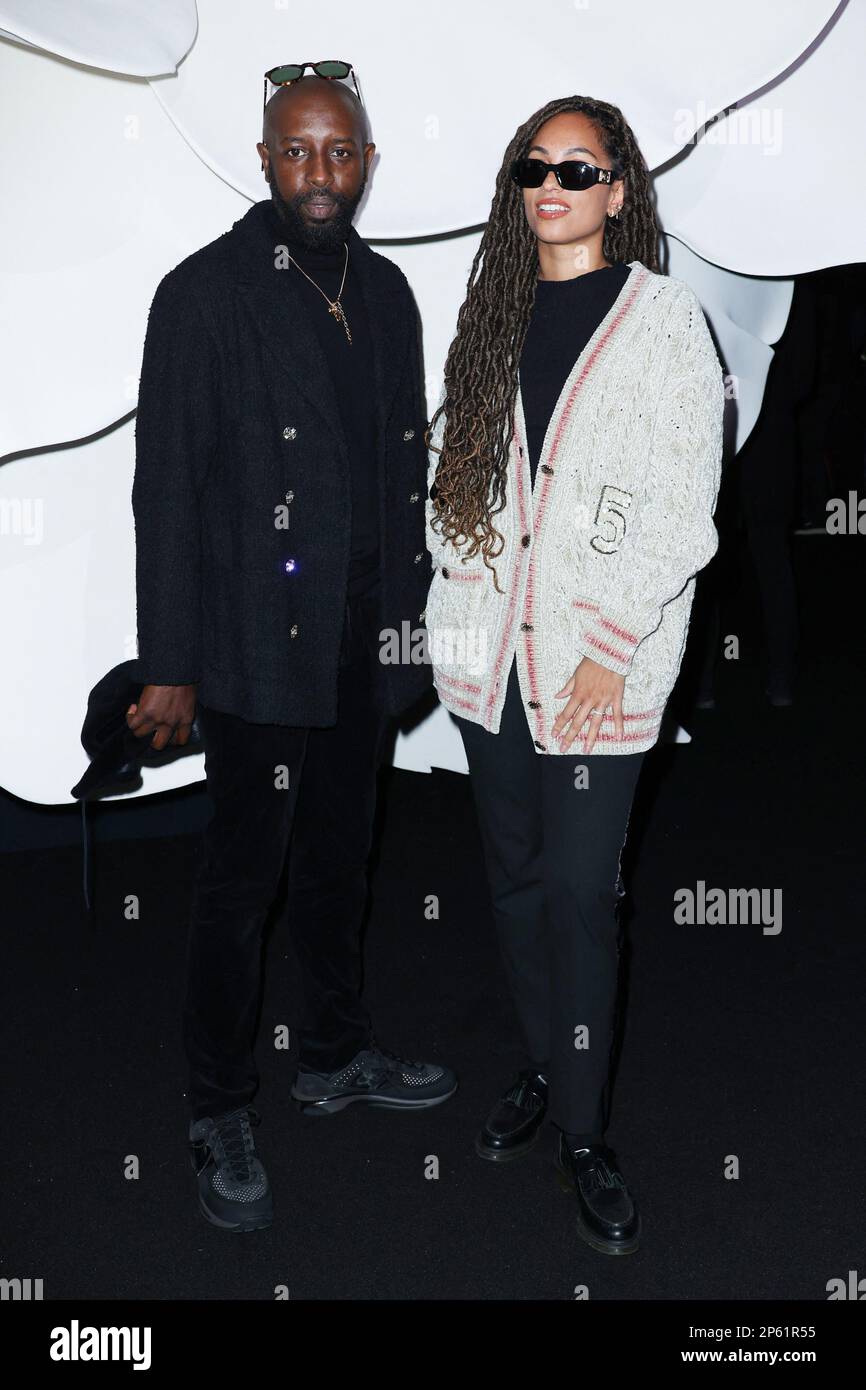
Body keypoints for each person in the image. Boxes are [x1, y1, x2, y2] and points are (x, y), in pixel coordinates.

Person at [128, 65, 456, 1233]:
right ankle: (218, 1104)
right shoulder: (204, 294)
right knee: (238, 885)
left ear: (367, 161)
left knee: (340, 862)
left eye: (339, 151)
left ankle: (332, 1052)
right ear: (263, 161)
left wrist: (409, 636)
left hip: (363, 644)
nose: (319, 172)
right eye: (297, 151)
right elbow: (164, 492)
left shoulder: (393, 292)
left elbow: (407, 483)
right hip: (256, 650)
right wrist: (169, 661)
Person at [424, 95, 724, 1255]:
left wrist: (605, 642)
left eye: (575, 166)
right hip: (488, 661)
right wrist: (452, 594)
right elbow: (459, 480)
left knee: (578, 899)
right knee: (509, 882)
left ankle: (585, 1130)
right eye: (529, 167)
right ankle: (546, 1069)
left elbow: (680, 502)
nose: (550, 183)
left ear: (615, 188)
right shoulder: (489, 315)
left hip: (600, 668)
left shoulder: (660, 323)